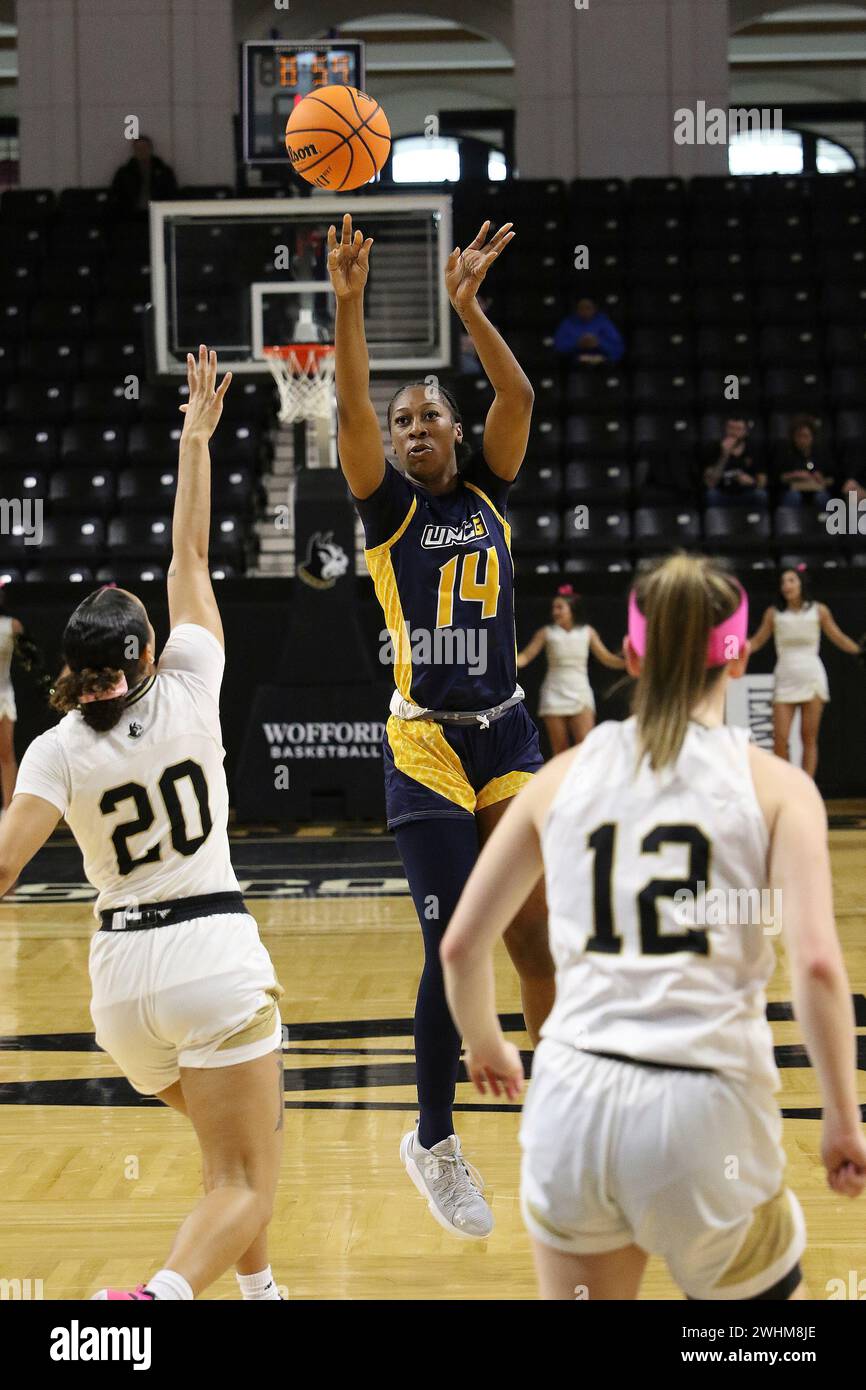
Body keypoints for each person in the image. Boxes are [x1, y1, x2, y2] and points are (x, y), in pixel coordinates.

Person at [441, 552, 866, 1301]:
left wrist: (486, 1043)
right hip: (705, 1112)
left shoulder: (560, 779)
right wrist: (841, 1118)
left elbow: (462, 944)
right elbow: (820, 969)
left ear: (632, 654)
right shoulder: (779, 787)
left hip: (572, 1099)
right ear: (735, 662)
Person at [0, 347, 285, 1302]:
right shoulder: (194, 683)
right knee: (248, 1171)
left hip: (119, 989)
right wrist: (195, 438)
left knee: (224, 1158)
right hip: (209, 950)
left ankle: (262, 1293)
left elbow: (1, 870)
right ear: (149, 652)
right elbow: (189, 556)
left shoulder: (51, 749)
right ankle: (151, 1304)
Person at [327, 211, 553, 1239]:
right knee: (452, 945)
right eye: (401, 418)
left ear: (456, 433)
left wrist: (468, 306)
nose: (411, 427)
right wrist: (346, 306)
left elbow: (518, 393)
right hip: (425, 740)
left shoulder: (492, 492)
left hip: (505, 732)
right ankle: (432, 1136)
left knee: (537, 936)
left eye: (427, 416)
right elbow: (347, 414)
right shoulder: (387, 511)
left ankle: (557, 1106)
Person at [748, 566, 861, 780]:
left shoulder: (819, 610)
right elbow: (756, 642)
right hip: (785, 678)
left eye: (791, 580)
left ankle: (807, 786)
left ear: (801, 584)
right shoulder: (773, 613)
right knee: (779, 738)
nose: (786, 586)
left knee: (808, 738)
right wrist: (732, 649)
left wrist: (859, 650)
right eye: (783, 582)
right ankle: (786, 785)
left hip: (812, 678)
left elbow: (838, 637)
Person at [517, 586, 624, 753]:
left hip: (580, 692)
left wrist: (629, 662)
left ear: (572, 609)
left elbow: (607, 658)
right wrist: (505, 660)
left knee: (585, 748)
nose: (555, 611)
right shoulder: (546, 632)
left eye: (560, 607)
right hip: (554, 692)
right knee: (560, 750)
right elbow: (525, 657)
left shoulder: (587, 632)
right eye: (553, 608)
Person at [703, 417, 767, 507]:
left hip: (747, 492)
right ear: (725, 429)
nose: (733, 432)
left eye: (738, 429)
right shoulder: (714, 447)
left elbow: (762, 481)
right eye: (731, 428)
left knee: (761, 495)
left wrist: (752, 482)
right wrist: (724, 455)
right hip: (722, 493)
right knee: (711, 495)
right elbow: (710, 483)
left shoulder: (754, 448)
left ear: (745, 432)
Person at [110, 134, 178, 215]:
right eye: (138, 149)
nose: (142, 151)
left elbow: (172, 193)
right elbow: (116, 195)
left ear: (150, 149)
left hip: (158, 213)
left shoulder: (164, 172)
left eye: (144, 148)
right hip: (131, 216)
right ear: (134, 151)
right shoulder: (124, 173)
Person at [0, 583, 23, 813]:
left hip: (3, 696)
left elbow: (30, 658)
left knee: (6, 754)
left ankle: (9, 810)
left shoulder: (12, 626)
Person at [775, 417, 833, 507]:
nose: (802, 440)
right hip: (794, 490)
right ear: (793, 437)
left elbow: (832, 479)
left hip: (816, 490)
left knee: (822, 497)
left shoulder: (822, 454)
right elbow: (778, 478)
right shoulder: (786, 453)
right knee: (793, 497)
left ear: (813, 437)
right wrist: (794, 475)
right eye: (799, 436)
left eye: (806, 436)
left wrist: (821, 479)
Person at [553, 296, 624, 366]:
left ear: (595, 309)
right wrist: (577, 344)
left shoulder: (605, 322)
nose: (584, 311)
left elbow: (617, 347)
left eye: (588, 308)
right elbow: (558, 346)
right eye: (581, 308)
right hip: (574, 365)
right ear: (576, 310)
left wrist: (599, 343)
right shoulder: (568, 323)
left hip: (602, 364)